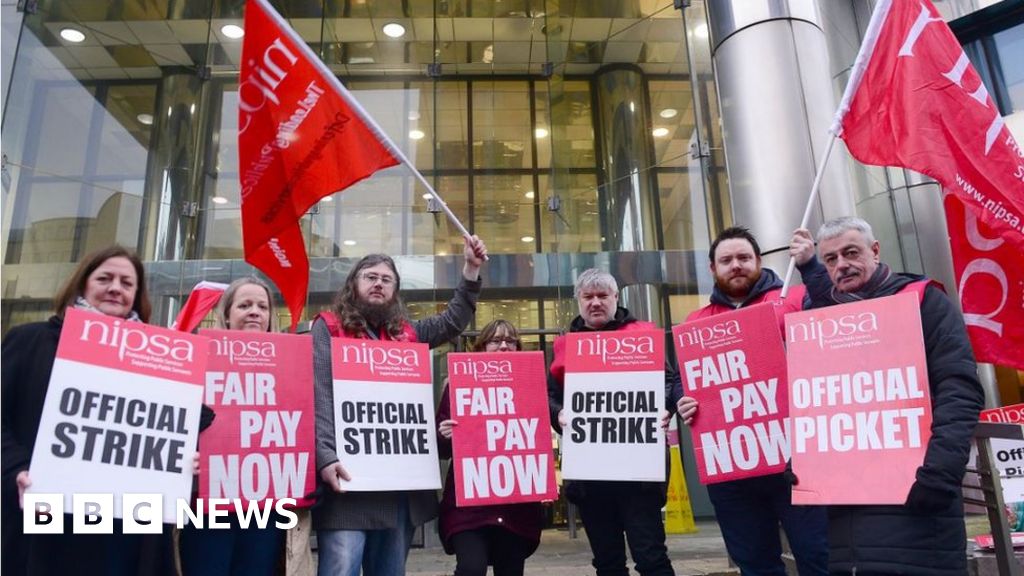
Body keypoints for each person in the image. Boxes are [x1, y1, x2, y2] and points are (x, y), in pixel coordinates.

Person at [790, 217, 984, 576]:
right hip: (846, 519)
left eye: (850, 253)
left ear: (875, 250)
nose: (841, 265)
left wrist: (939, 473)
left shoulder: (924, 301)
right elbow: (815, 404)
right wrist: (805, 463)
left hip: (919, 498)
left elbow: (959, 389)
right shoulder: (820, 322)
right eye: (830, 259)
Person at [313, 235, 488, 576]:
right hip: (348, 482)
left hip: (398, 490)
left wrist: (471, 268)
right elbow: (320, 394)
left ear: (394, 291)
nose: (378, 284)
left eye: (386, 279)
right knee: (341, 569)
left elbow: (453, 321)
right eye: (370, 277)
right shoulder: (329, 328)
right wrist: (325, 456)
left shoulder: (407, 334)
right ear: (354, 284)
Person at [1, 245, 176, 576]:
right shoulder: (30, 340)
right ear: (82, 284)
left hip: (126, 528)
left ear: (136, 295)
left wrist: (179, 457)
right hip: (50, 525)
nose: (115, 288)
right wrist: (15, 470)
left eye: (127, 283)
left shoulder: (155, 358)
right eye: (105, 278)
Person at [674, 227, 828, 576]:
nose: (736, 265)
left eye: (744, 258)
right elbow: (687, 382)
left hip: (796, 460)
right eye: (726, 260)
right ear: (713, 269)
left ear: (758, 262)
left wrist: (811, 266)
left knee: (817, 557)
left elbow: (830, 316)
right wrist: (684, 400)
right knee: (754, 565)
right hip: (731, 470)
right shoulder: (696, 323)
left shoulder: (794, 298)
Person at [547, 268, 679, 576]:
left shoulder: (643, 335)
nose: (595, 302)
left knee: (651, 557)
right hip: (591, 478)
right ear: (578, 301)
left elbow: (670, 381)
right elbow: (549, 396)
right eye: (588, 296)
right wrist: (559, 414)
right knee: (607, 562)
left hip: (639, 476)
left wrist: (665, 407)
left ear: (616, 298)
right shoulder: (566, 345)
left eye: (602, 295)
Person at [180, 277, 290, 576]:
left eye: (262, 306)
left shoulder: (291, 366)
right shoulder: (196, 357)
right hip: (208, 503)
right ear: (227, 315)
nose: (255, 311)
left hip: (264, 508)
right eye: (244, 305)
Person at [435, 319, 545, 576]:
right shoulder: (457, 386)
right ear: (481, 347)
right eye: (495, 341)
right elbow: (442, 451)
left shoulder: (531, 386)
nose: (504, 346)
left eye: (510, 341)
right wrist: (444, 435)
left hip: (516, 507)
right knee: (471, 569)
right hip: (470, 509)